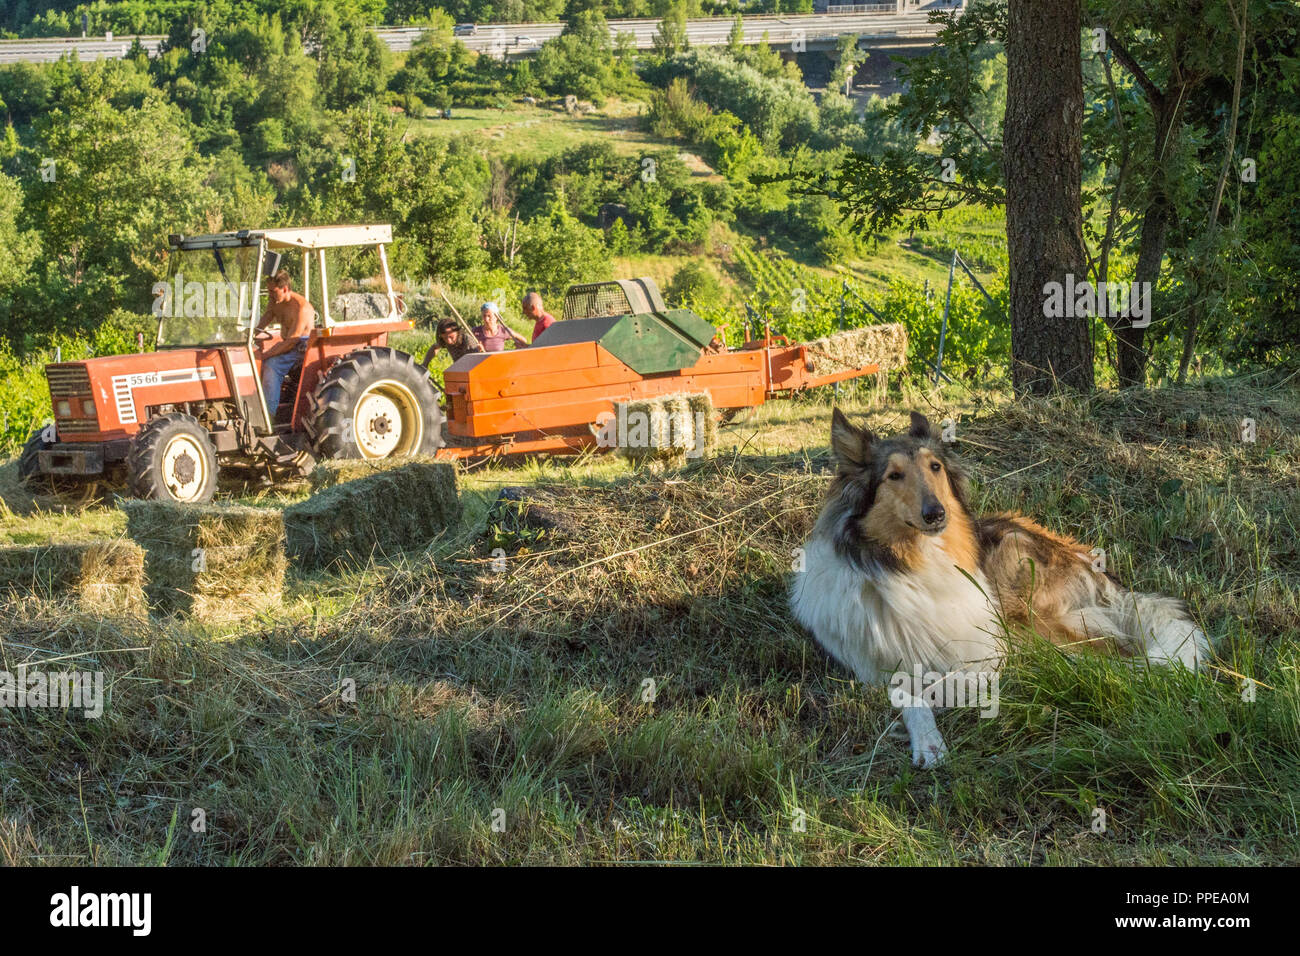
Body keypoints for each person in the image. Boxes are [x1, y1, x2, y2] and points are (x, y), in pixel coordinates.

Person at [255, 269, 315, 416]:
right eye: (268, 291)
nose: (270, 295)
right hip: (288, 344)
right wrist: (249, 334)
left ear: (285, 289)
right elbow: (266, 317)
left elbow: (291, 342)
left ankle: (269, 416)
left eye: (273, 291)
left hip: (302, 347)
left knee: (271, 366)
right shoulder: (275, 301)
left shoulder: (302, 308)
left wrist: (265, 355)